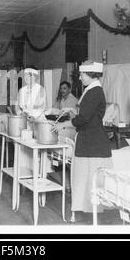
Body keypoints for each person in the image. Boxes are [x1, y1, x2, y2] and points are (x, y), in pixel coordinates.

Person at [52, 61, 112, 223]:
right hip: (87, 139)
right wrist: (71, 110)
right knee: (83, 177)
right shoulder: (91, 90)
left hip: (92, 141)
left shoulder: (94, 92)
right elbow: (86, 113)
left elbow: (84, 118)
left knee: (88, 177)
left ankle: (91, 210)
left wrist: (63, 124)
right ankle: (85, 208)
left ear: (91, 75)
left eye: (82, 74)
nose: (79, 77)